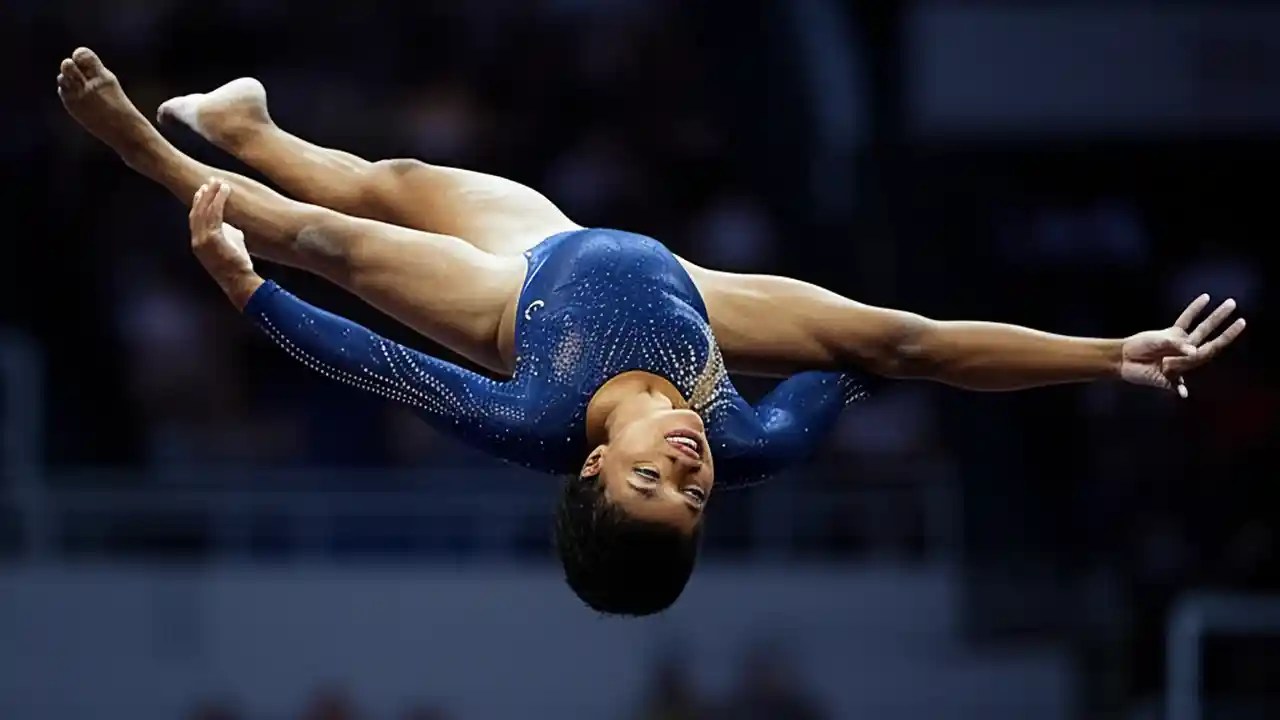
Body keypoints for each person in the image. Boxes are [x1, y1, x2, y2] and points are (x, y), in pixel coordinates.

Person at [57, 47, 1245, 616]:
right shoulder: (743, 434)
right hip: (681, 295)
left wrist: (240, 289)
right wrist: (1108, 357)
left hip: (520, 300)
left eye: (647, 482)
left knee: (333, 233)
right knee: (397, 171)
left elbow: (367, 359)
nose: (687, 468)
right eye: (691, 496)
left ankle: (152, 154)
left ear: (588, 464)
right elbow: (897, 355)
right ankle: (254, 127)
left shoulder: (529, 415)